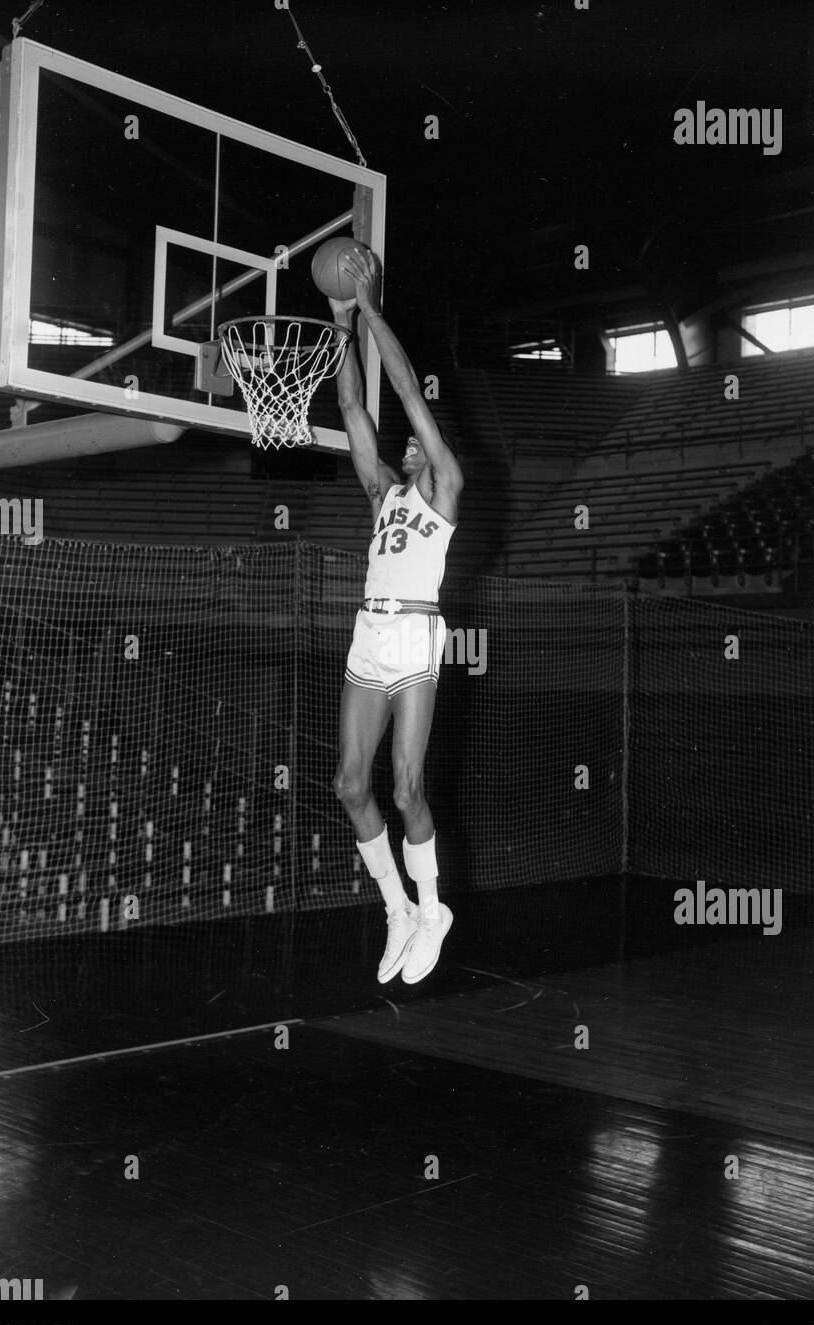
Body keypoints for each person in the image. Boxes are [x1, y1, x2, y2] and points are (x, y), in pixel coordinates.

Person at [328, 247, 464, 984]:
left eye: (418, 439)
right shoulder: (383, 494)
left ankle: (434, 906)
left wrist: (374, 309)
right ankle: (397, 909)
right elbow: (353, 408)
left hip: (415, 632)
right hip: (368, 632)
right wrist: (341, 322)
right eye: (407, 443)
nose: (409, 440)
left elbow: (408, 394)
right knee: (350, 785)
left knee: (407, 787)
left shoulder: (445, 487)